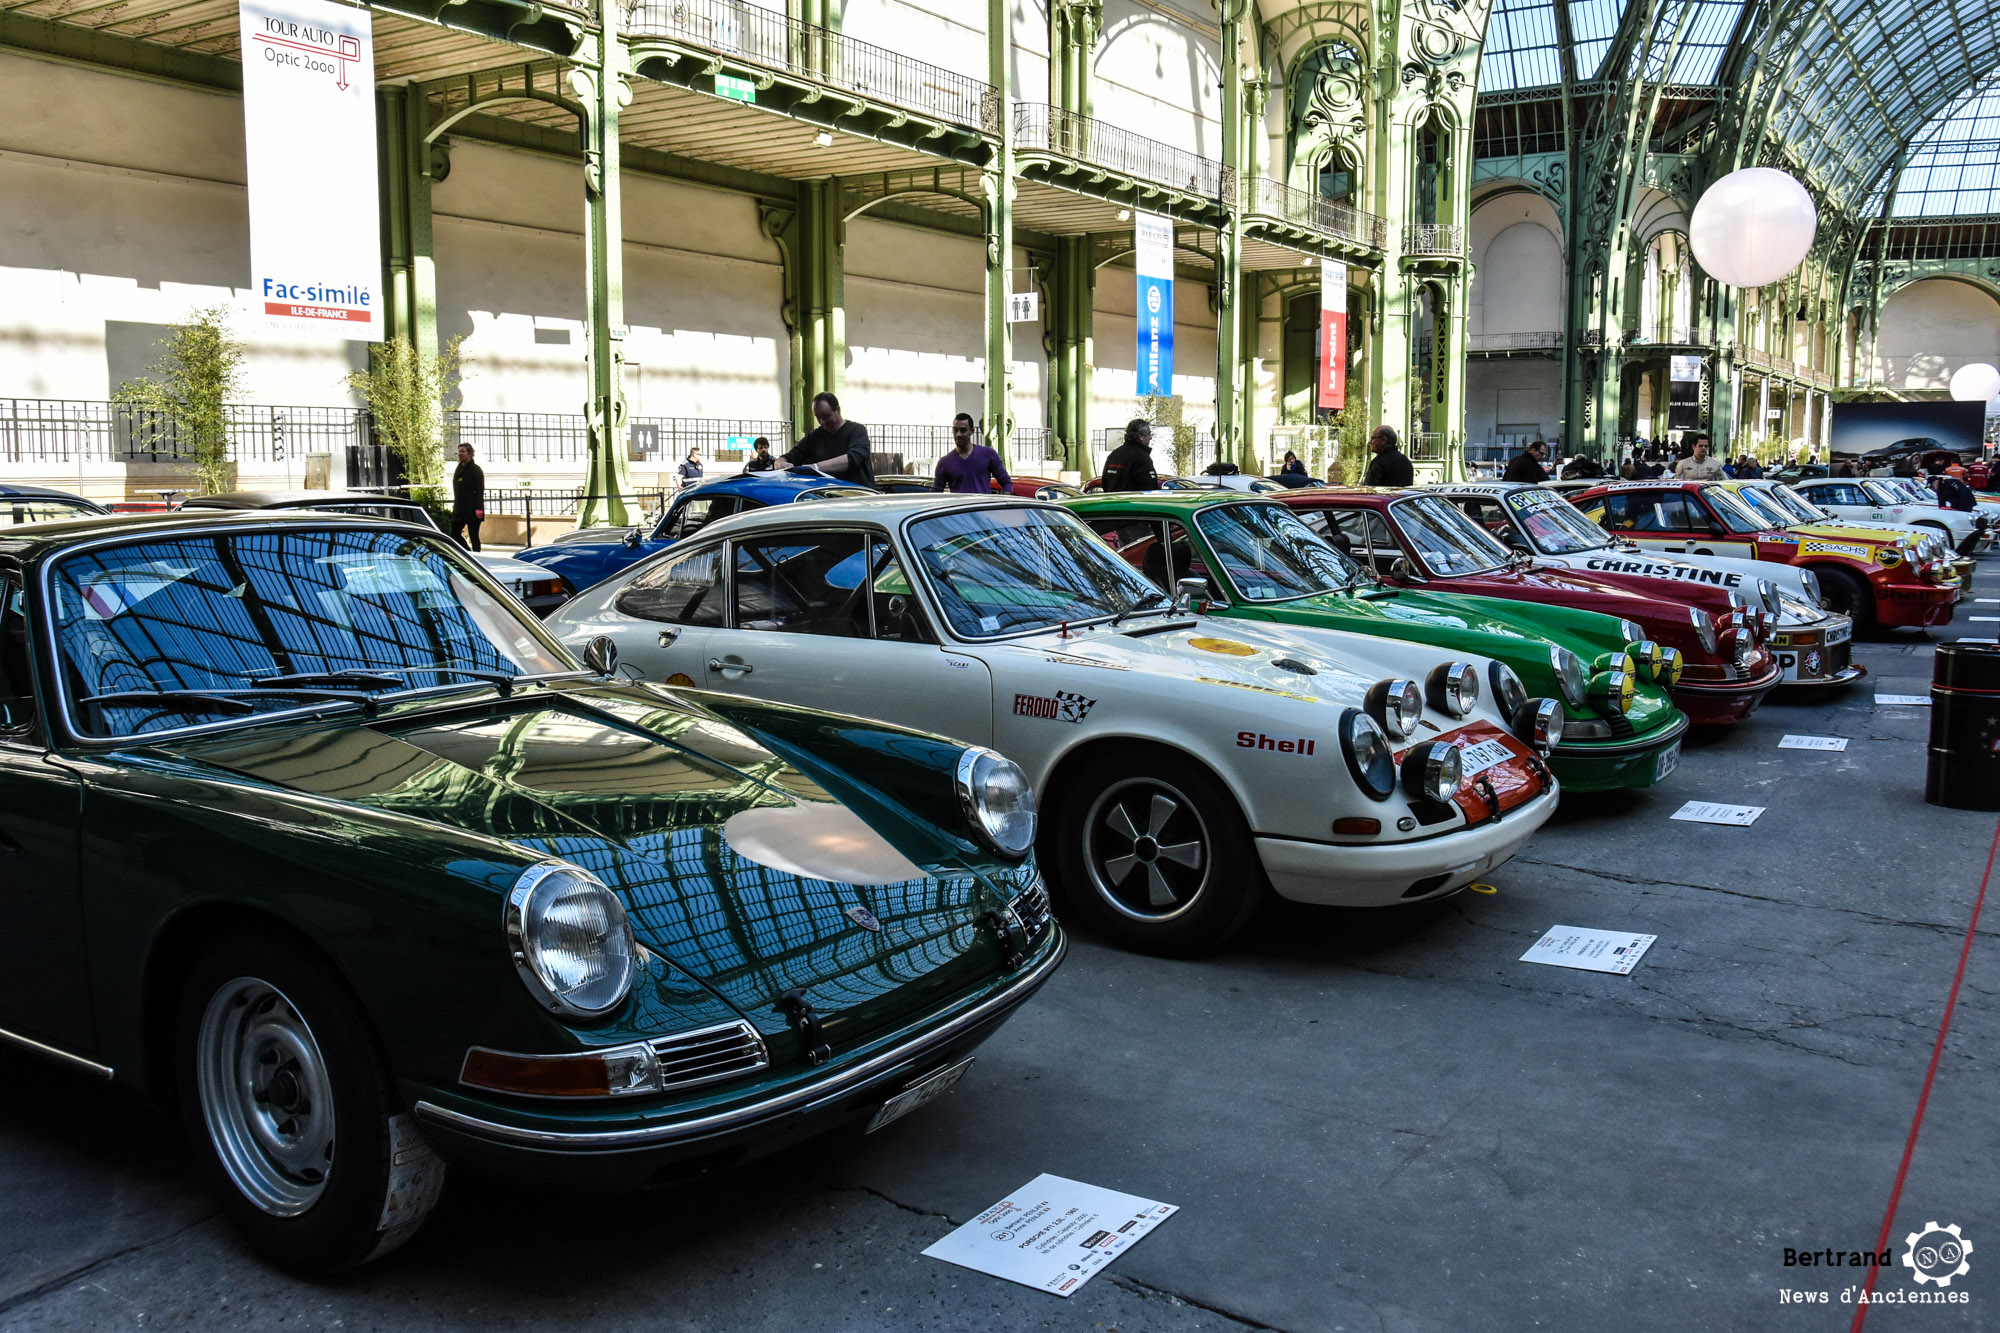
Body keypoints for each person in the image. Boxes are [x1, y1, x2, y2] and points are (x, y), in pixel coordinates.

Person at [784, 391, 875, 487]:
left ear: (838, 410)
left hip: (858, 495)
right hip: (826, 495)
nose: (822, 422)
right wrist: (781, 463)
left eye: (826, 416)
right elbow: (792, 455)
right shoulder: (814, 436)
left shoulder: (858, 431)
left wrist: (815, 467)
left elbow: (852, 459)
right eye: (818, 417)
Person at [932, 413, 1011, 494]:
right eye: (955, 430)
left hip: (983, 506)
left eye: (963, 430)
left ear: (972, 431)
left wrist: (1002, 502)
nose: (958, 434)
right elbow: (935, 494)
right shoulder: (945, 462)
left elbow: (1007, 484)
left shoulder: (988, 454)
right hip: (960, 506)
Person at [1101, 419, 1159, 491]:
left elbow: (1105, 483)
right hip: (1133, 501)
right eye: (1149, 434)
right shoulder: (1142, 458)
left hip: (1113, 501)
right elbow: (1150, 486)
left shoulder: (1113, 454)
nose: (1150, 438)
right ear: (1141, 436)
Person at [450, 442, 485, 552]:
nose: (460, 454)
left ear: (470, 454)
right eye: (459, 452)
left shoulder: (476, 470)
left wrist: (479, 508)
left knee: (474, 536)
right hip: (460, 509)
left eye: (463, 452)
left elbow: (480, 490)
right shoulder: (458, 468)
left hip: (473, 510)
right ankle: (467, 553)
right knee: (455, 533)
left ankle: (477, 557)